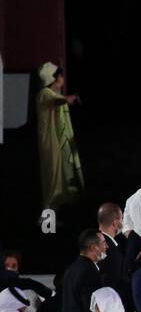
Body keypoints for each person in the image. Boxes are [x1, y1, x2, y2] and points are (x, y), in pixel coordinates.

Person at [35, 62, 85, 209]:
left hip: (57, 142)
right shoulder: (44, 94)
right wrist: (68, 99)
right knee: (52, 178)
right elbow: (54, 101)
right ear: (54, 78)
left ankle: (55, 211)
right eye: (60, 75)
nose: (62, 78)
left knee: (59, 176)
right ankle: (47, 216)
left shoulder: (53, 94)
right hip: (50, 144)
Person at [57, 229, 106, 312]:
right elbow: (91, 307)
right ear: (94, 248)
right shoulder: (89, 271)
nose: (106, 246)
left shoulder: (72, 268)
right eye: (103, 243)